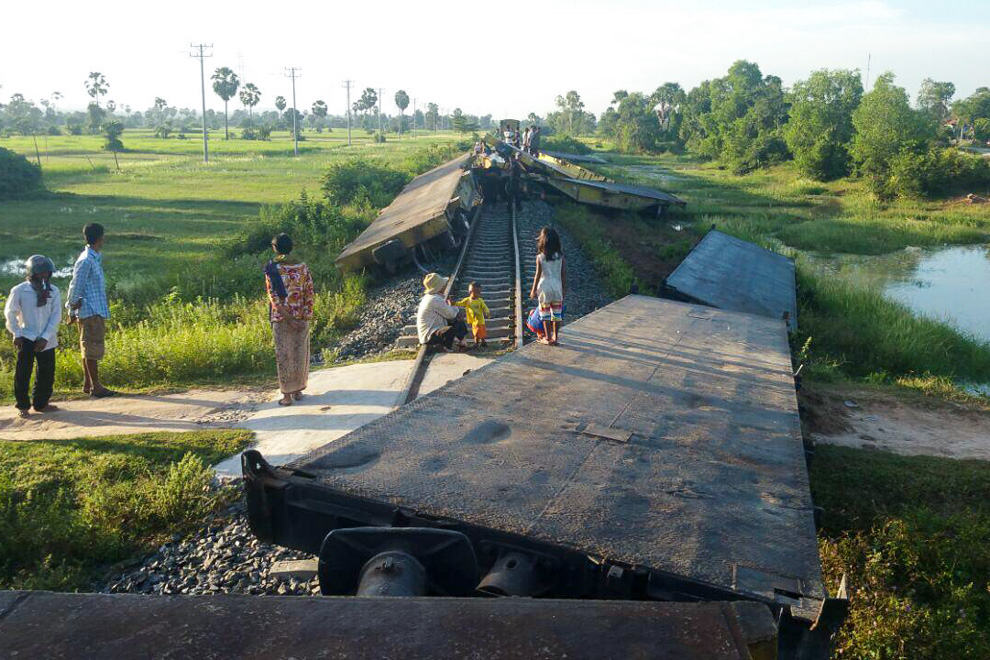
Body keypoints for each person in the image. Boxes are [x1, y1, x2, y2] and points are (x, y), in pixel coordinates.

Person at [5, 255, 61, 418]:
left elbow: (55, 316)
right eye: (40, 273)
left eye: (47, 273)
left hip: (47, 338)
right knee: (23, 372)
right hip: (26, 336)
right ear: (32, 273)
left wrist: (45, 337)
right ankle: (22, 405)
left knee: (47, 372)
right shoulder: (20, 290)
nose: (44, 276)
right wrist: (16, 332)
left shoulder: (54, 291)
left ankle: (41, 403)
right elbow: (10, 313)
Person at [66, 222, 116, 398]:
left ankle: (88, 384)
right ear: (100, 238)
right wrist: (71, 309)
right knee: (91, 348)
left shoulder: (94, 257)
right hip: (90, 310)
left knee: (88, 347)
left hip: (94, 309)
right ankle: (96, 387)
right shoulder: (86, 260)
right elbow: (76, 286)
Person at [265, 233, 315, 406]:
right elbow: (309, 293)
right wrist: (304, 317)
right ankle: (298, 390)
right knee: (299, 354)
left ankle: (286, 396)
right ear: (291, 247)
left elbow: (274, 297)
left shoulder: (272, 268)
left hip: (281, 319)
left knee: (284, 356)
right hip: (301, 318)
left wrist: (289, 319)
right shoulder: (302, 267)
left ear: (275, 248)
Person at [529, 226, 566, 346]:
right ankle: (555, 337)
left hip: (544, 288)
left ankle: (548, 337)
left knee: (544, 314)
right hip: (557, 288)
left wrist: (533, 290)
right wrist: (564, 289)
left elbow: (537, 275)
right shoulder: (560, 257)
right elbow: (563, 274)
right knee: (556, 314)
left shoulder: (540, 258)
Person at [417, 272, 468, 352]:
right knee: (451, 328)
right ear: (438, 287)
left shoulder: (430, 297)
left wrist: (452, 308)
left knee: (458, 321)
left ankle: (462, 341)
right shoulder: (435, 299)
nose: (445, 286)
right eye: (443, 284)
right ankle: (447, 347)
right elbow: (451, 315)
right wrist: (453, 305)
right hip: (429, 335)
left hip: (434, 329)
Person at [454, 282, 491, 347]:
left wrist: (487, 311)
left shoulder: (480, 300)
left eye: (479, 292)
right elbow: (460, 303)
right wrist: (453, 303)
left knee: (478, 332)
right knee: (478, 332)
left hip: (480, 320)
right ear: (470, 292)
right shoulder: (467, 300)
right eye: (476, 292)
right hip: (473, 320)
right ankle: (482, 342)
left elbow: (484, 307)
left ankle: (477, 343)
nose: (477, 294)